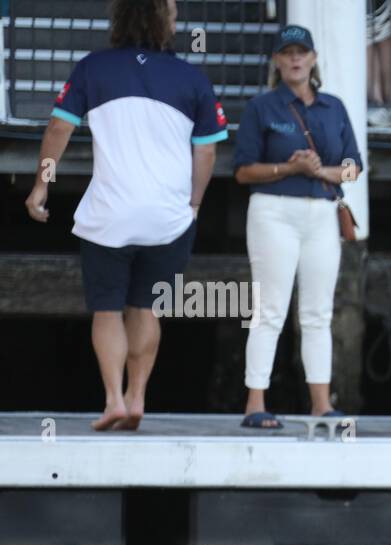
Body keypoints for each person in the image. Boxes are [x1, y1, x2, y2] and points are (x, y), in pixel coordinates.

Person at [24, 0, 225, 431]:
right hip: (167, 218)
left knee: (106, 309)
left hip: (109, 215)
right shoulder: (192, 77)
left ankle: (113, 398)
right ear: (162, 22)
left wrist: (43, 183)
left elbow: (59, 129)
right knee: (148, 307)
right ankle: (138, 397)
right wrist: (194, 202)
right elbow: (206, 150)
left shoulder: (92, 69)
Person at [232, 25, 363, 429]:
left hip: (321, 212)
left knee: (318, 312)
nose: (294, 59)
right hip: (274, 210)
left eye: (301, 52)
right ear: (276, 61)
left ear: (312, 59)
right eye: (286, 53)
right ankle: (255, 402)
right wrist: (288, 168)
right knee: (269, 309)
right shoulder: (262, 107)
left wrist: (317, 169)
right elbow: (243, 171)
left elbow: (352, 167)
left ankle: (321, 404)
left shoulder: (334, 107)